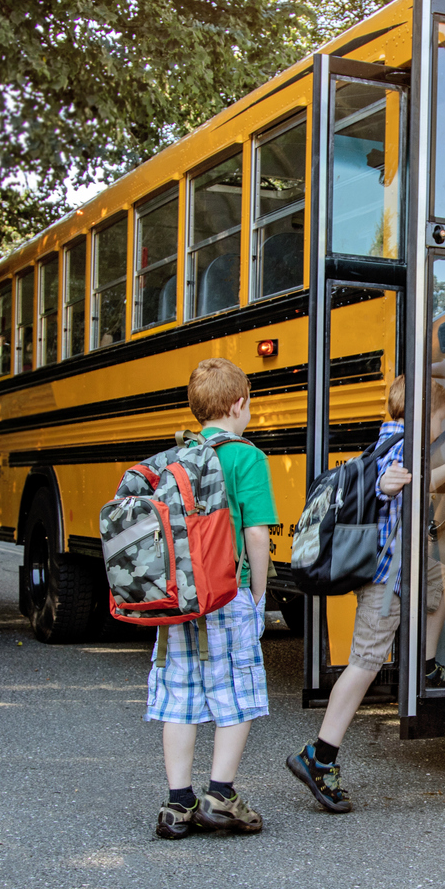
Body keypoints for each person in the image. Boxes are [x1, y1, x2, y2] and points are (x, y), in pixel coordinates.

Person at [287, 374, 445, 812]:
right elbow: (388, 483)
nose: (440, 424)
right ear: (424, 412)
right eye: (440, 416)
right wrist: (388, 485)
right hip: (386, 580)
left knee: (441, 578)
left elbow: (414, 482)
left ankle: (425, 666)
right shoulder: (400, 450)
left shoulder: (388, 442)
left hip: (404, 569)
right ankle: (320, 756)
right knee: (364, 663)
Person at [149, 358, 279, 839]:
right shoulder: (247, 457)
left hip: (178, 597)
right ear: (239, 404)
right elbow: (258, 534)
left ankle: (177, 803)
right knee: (236, 694)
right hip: (227, 593)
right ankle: (220, 794)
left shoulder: (175, 457)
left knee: (180, 695)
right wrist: (259, 596)